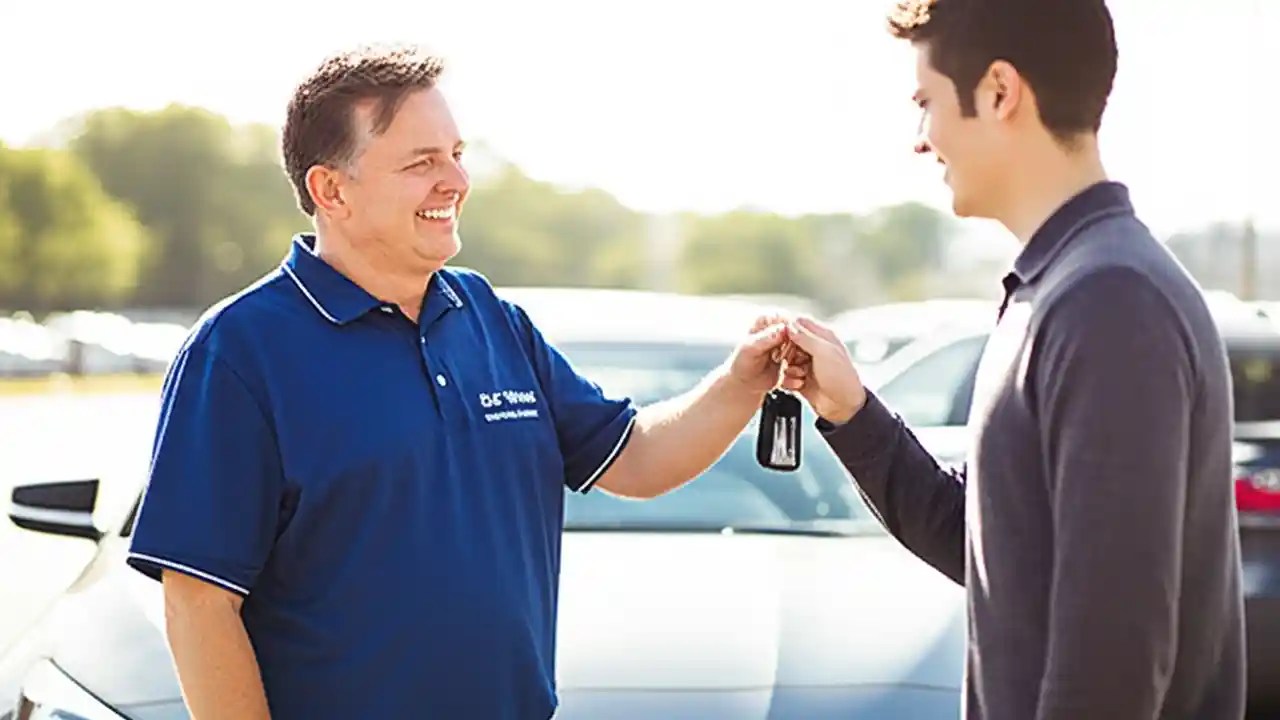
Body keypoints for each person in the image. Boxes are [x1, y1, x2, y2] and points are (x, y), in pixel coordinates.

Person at [124, 44, 803, 720]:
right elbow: (198, 602)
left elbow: (637, 459)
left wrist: (741, 382)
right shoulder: (239, 350)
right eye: (421, 163)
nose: (455, 180)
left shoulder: (490, 317)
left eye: (455, 154)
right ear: (331, 190)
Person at [776, 1, 1247, 718]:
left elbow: (1111, 663)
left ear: (1000, 91)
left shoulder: (1109, 301)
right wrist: (851, 412)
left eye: (926, 102)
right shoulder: (1066, 285)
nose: (921, 140)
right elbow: (989, 546)